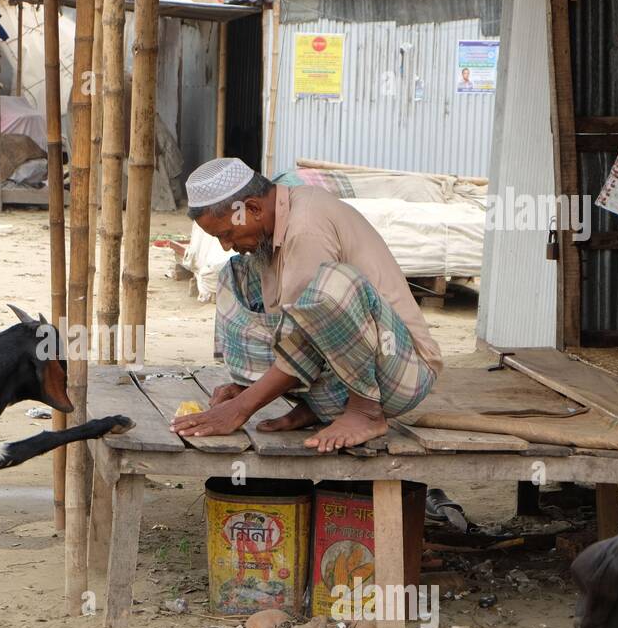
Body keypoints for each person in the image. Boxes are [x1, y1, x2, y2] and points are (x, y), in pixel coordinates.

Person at [169, 158, 442, 453]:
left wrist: (240, 408)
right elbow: (293, 327)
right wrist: (248, 388)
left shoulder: (306, 227)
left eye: (226, 234)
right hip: (348, 373)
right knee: (236, 275)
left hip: (400, 373)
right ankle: (317, 406)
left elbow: (308, 332)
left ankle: (365, 412)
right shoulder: (278, 218)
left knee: (333, 285)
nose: (225, 245)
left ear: (254, 208)